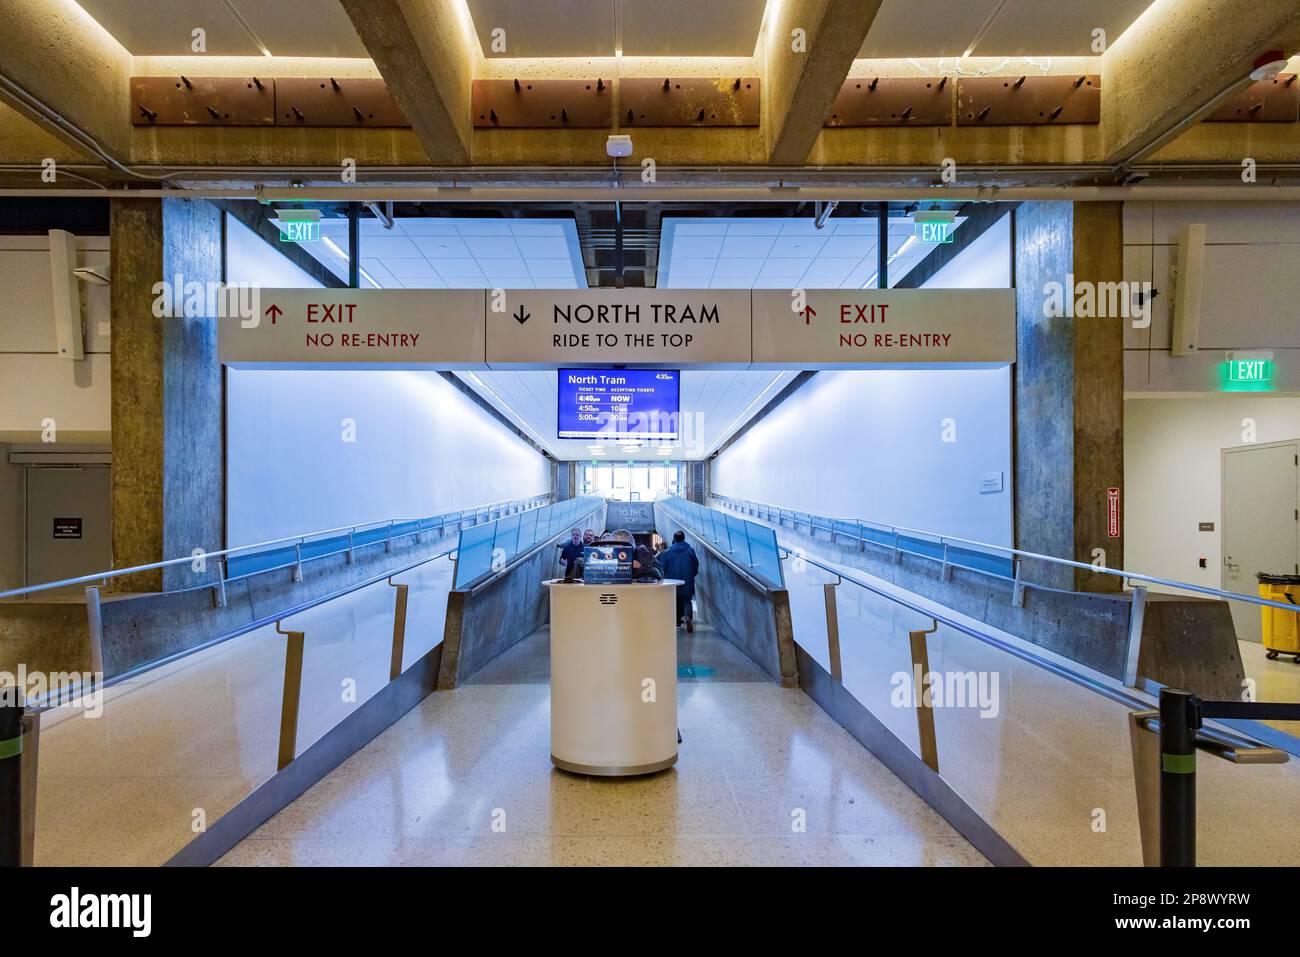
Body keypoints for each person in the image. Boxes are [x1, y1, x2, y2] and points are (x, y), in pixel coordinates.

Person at [658, 531, 699, 632]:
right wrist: (692, 574)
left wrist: (664, 578)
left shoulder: (667, 552)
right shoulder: (690, 550)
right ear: (684, 538)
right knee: (687, 601)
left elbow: (663, 567)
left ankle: (677, 624)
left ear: (674, 539)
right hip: (687, 580)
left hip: (672, 581)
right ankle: (688, 617)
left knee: (675, 601)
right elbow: (695, 565)